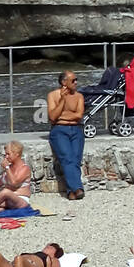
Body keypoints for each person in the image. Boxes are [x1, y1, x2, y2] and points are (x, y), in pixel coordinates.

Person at [47, 71, 86, 200]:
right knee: (67, 158)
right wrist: (63, 100)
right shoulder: (53, 95)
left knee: (75, 159)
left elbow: (79, 115)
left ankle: (71, 191)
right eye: (73, 80)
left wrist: (61, 116)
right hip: (59, 130)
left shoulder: (79, 96)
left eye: (76, 80)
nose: (76, 82)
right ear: (64, 82)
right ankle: (78, 188)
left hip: (76, 129)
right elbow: (52, 117)